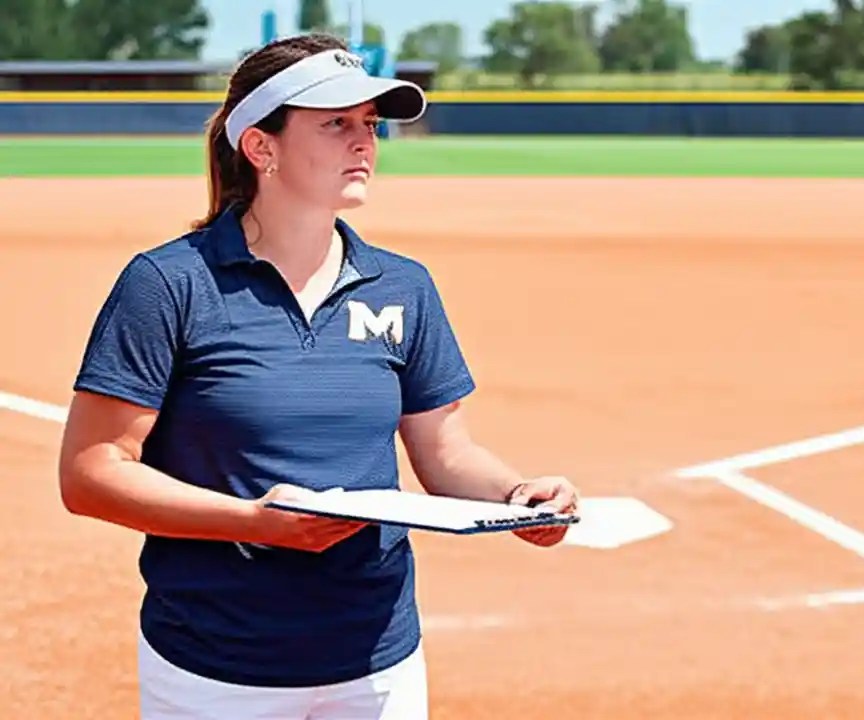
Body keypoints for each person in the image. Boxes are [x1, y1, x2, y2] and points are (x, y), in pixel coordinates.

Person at [56, 33, 578, 720]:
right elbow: (91, 473)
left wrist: (516, 494)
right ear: (260, 147)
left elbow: (446, 452)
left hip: (376, 659)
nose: (364, 141)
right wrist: (252, 522)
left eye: (369, 124)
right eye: (336, 123)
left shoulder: (402, 287)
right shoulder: (168, 285)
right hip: (217, 665)